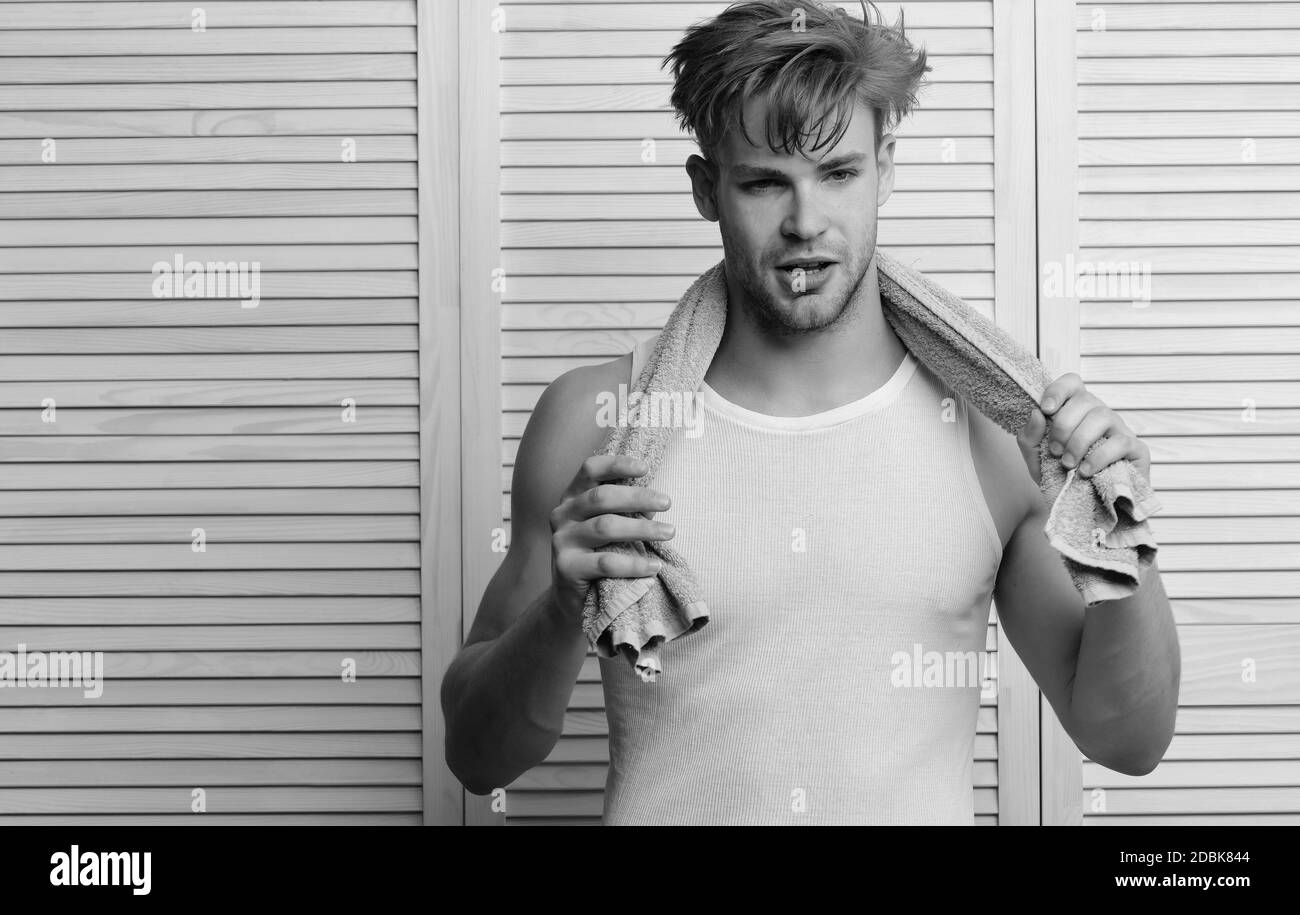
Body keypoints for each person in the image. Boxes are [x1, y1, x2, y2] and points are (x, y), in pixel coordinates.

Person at [442, 0, 1180, 825]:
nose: (805, 224)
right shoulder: (596, 424)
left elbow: (1128, 738)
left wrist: (1122, 533)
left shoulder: (994, 430)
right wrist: (557, 615)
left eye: (838, 174)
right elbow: (477, 756)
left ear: (885, 169)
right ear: (706, 188)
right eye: (764, 182)